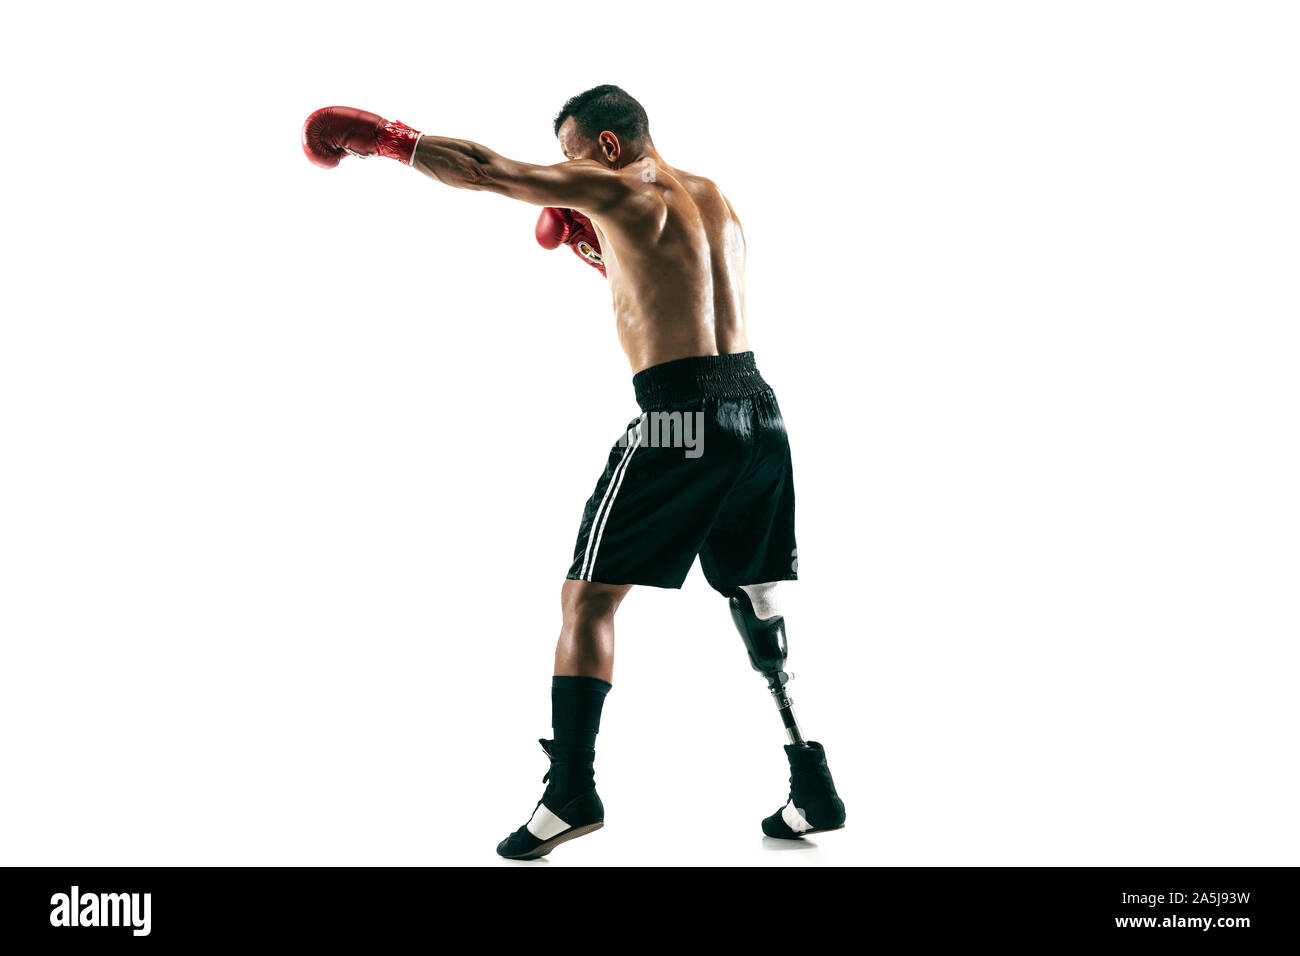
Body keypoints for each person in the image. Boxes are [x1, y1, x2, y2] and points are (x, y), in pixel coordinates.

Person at [301, 85, 845, 860]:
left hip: (681, 416)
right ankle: (812, 786)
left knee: (587, 598)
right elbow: (683, 299)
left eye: (571, 153)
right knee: (755, 594)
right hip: (760, 414)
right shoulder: (714, 197)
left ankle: (571, 794)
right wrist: (610, 259)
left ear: (608, 148)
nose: (567, 170)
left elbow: (486, 169)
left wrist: (386, 139)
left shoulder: (614, 183)